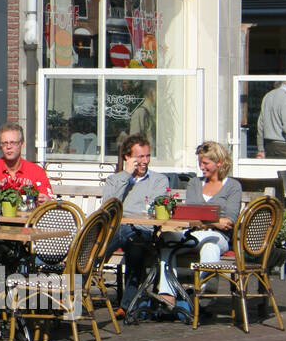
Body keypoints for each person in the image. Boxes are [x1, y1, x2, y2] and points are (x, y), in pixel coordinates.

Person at [153, 141, 242, 320]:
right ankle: (167, 294)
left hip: (219, 237)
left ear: (219, 162)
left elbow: (229, 221)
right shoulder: (195, 183)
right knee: (167, 238)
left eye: (206, 163)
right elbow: (191, 214)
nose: (202, 167)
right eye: (200, 163)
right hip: (193, 233)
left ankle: (203, 294)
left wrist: (206, 221)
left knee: (211, 245)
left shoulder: (232, 186)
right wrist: (214, 220)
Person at [101, 134, 170, 316]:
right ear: (127, 158)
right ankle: (126, 306)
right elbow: (108, 206)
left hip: (143, 231)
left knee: (134, 243)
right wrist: (126, 176)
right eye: (140, 157)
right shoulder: (115, 180)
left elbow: (154, 208)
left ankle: (125, 305)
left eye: (147, 156)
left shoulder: (158, 180)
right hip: (116, 231)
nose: (145, 161)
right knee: (118, 241)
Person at [0, 122, 53, 196]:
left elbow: (48, 200)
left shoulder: (36, 172)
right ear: (0, 146)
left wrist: (45, 200)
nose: (8, 147)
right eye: (5, 143)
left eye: (13, 143)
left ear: (22, 144)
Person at [256, 66, 286, 158]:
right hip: (283, 146)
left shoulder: (269, 96)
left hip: (269, 146)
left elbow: (260, 125)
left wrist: (261, 149)